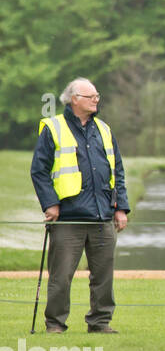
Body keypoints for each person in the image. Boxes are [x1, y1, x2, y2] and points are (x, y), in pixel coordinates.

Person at [31, 78, 129, 333]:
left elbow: (117, 171)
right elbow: (39, 171)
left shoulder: (105, 130)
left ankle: (100, 323)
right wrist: (50, 204)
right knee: (61, 277)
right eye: (91, 96)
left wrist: (120, 208)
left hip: (102, 217)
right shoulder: (53, 128)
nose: (96, 99)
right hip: (68, 218)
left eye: (97, 95)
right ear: (74, 99)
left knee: (103, 278)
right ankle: (55, 324)